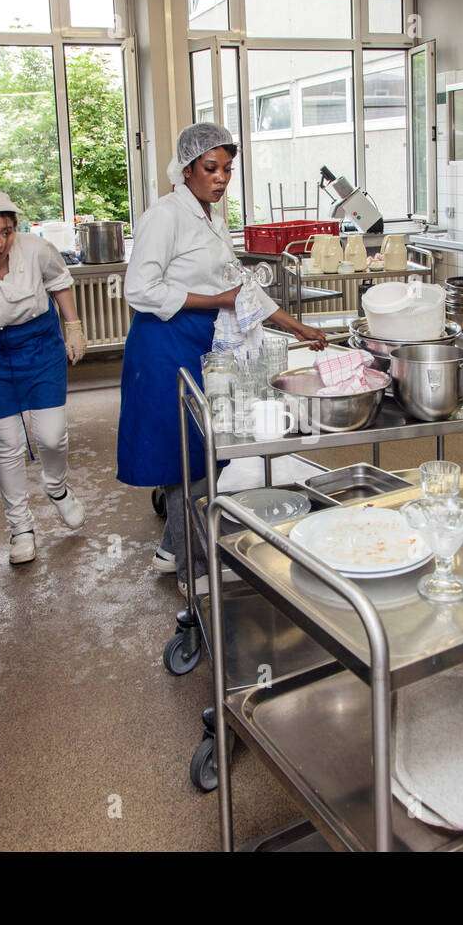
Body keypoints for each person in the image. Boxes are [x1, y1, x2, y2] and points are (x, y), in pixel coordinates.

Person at [119, 123, 328, 595]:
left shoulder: (212, 216)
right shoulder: (165, 216)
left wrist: (295, 326)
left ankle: (173, 546)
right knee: (183, 454)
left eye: (227, 170)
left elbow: (240, 286)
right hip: (163, 343)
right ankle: (196, 575)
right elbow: (140, 289)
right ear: (186, 168)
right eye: (211, 168)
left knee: (207, 449)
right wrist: (217, 301)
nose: (221, 178)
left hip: (201, 339)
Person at [0, 189, 88, 565]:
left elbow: (59, 281)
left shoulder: (35, 250)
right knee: (6, 445)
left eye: (6, 231)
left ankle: (56, 488)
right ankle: (20, 528)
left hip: (40, 347)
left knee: (51, 435)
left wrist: (73, 326)